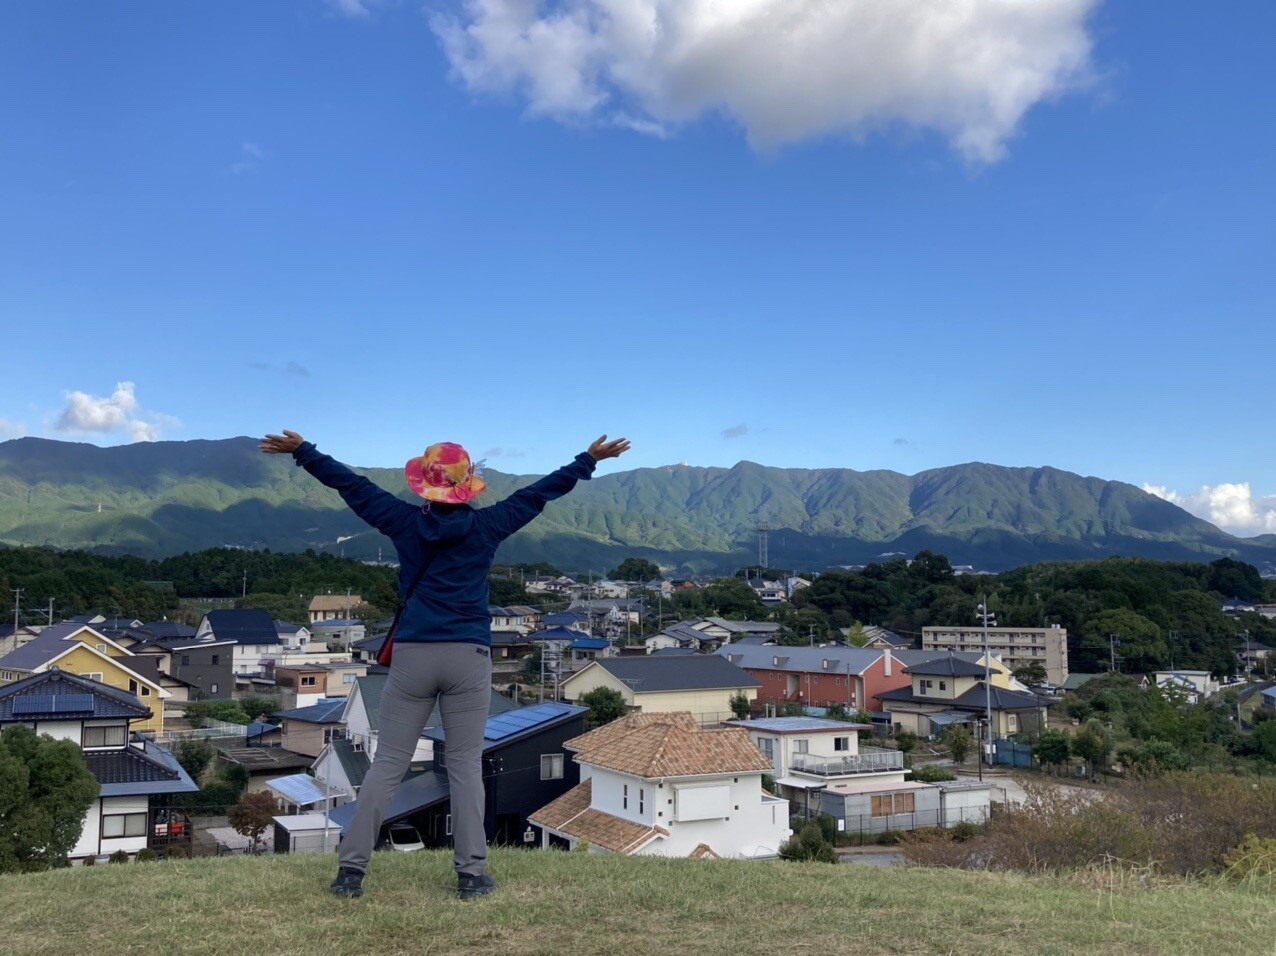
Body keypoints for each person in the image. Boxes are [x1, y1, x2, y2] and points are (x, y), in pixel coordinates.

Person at [259, 430, 631, 900]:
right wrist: (587, 459)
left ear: (424, 485)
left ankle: (351, 873)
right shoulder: (490, 525)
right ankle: (471, 876)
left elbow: (351, 485)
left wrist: (303, 452)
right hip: (469, 658)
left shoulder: (401, 521)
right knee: (464, 766)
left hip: (414, 655)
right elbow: (539, 493)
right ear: (468, 483)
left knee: (388, 764)